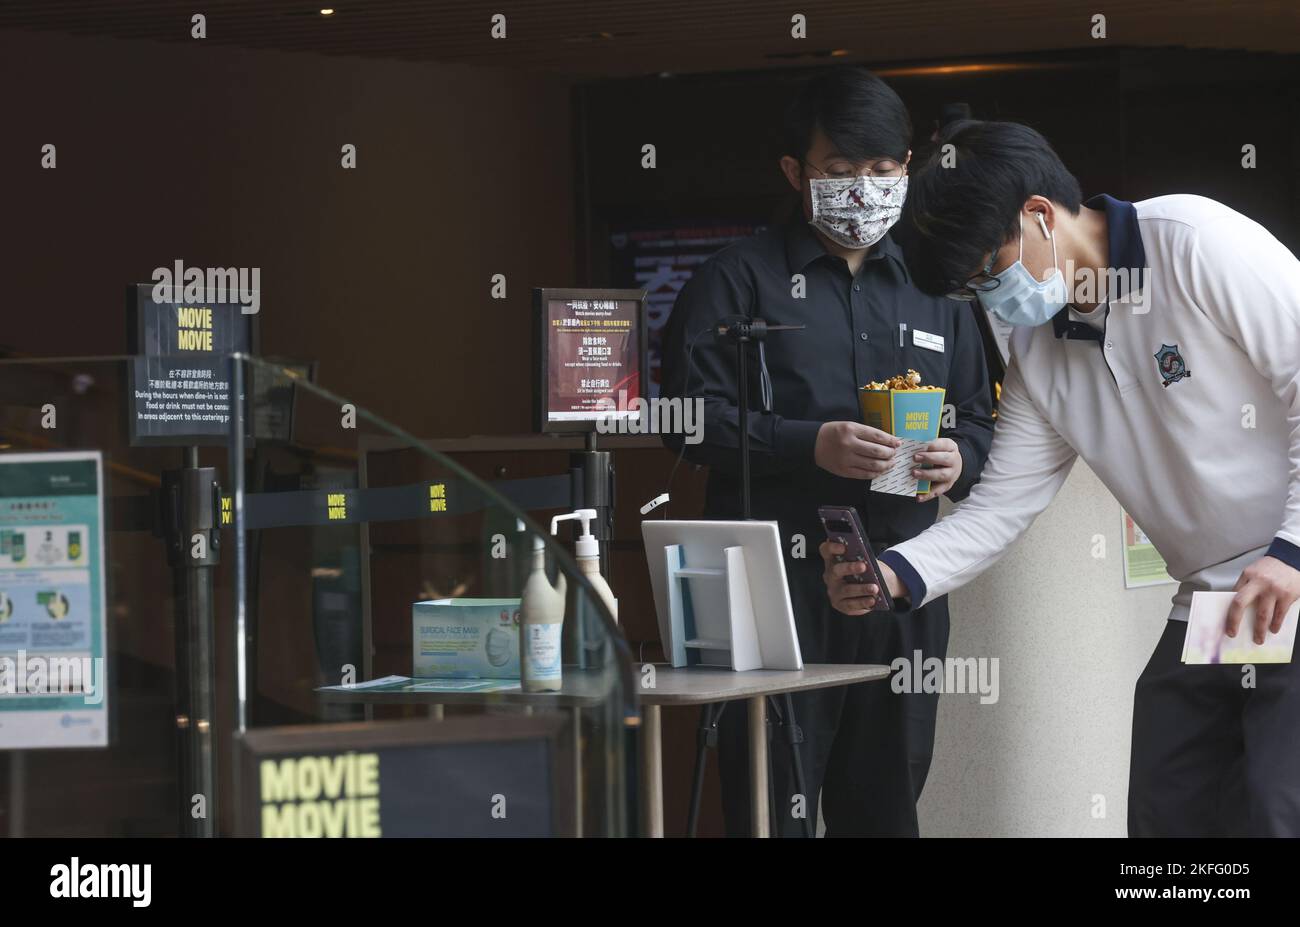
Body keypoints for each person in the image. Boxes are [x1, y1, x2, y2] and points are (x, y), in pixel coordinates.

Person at [821, 119, 1300, 837]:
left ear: (1040, 216)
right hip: (1215, 603)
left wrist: (1290, 548)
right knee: (1170, 814)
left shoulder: (1195, 242)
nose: (990, 296)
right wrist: (888, 573)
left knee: (1274, 805)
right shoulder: (1038, 351)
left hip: (1291, 574)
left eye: (990, 269)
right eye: (972, 289)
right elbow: (1000, 507)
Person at [660, 67, 994, 837]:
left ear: (907, 169)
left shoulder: (936, 287)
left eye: (881, 171)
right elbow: (684, 420)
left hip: (904, 576)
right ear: (795, 173)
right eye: (841, 172)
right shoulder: (735, 281)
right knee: (772, 797)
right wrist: (809, 443)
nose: (864, 188)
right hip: (775, 581)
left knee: (888, 799)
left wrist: (959, 457)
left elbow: (980, 418)